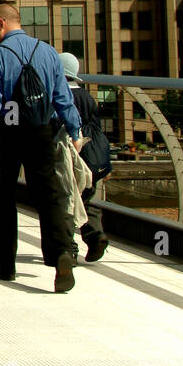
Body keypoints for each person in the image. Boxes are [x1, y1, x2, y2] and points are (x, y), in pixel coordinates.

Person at [0, 3, 85, 292]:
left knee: (4, 197)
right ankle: (61, 252)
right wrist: (74, 129)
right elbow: (63, 96)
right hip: (41, 132)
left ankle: (5, 265)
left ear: (1, 24)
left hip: (8, 134)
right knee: (49, 194)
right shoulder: (48, 52)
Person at [60, 52, 111, 262]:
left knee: (68, 201)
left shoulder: (62, 95)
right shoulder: (87, 96)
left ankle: (69, 247)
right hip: (93, 158)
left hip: (72, 158)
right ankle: (96, 235)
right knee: (89, 200)